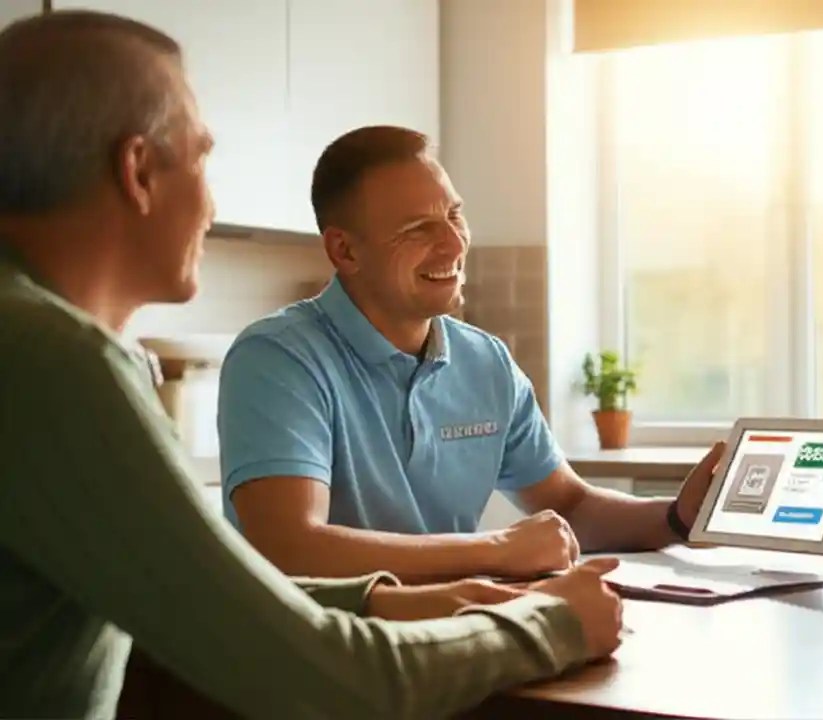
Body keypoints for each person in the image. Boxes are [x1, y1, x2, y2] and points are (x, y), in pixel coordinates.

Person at [0, 11, 624, 719]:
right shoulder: (55, 366)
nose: (210, 204)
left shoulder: (28, 345)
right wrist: (552, 624)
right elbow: (326, 681)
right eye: (202, 159)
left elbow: (198, 604)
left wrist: (405, 600)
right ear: (139, 172)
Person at [217, 124, 726, 581]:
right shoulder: (278, 360)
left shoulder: (486, 362)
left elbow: (570, 505)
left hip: (448, 631)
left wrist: (678, 517)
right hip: (321, 649)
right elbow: (291, 547)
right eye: (418, 229)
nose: (453, 244)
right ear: (345, 251)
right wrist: (497, 550)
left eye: (454, 215)